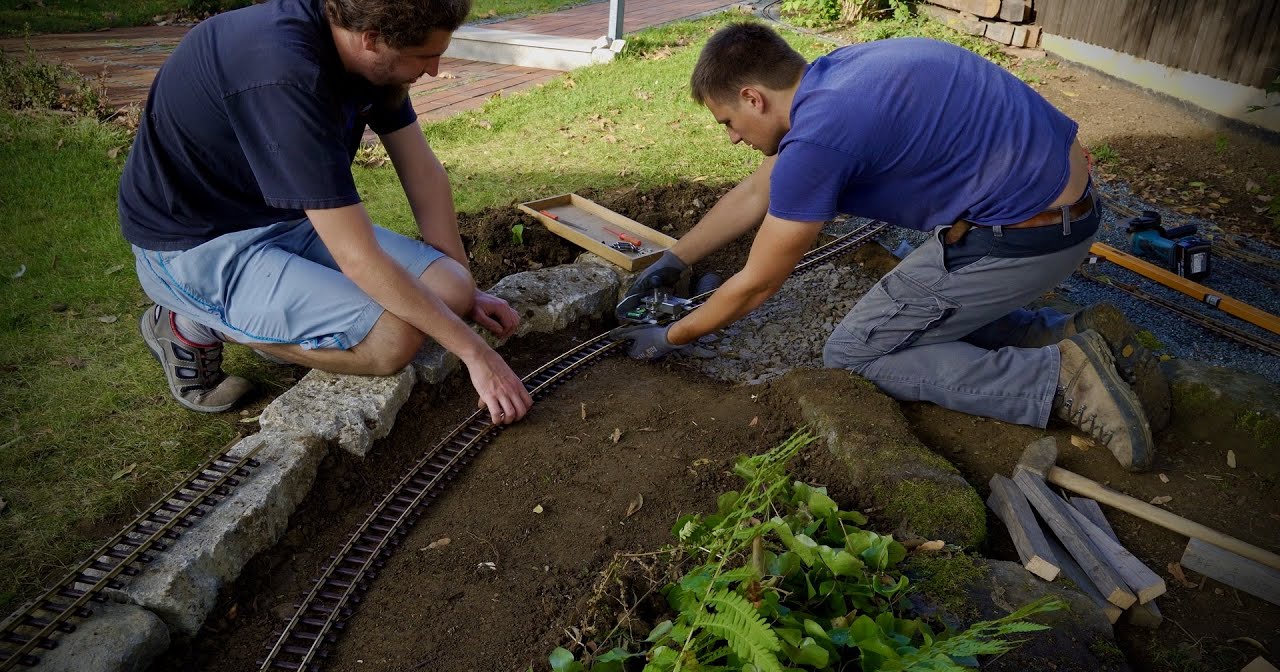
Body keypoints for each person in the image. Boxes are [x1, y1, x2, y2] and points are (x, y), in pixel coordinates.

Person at [611, 22, 1169, 471]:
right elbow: (760, 189)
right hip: (1060, 207)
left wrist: (672, 334)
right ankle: (1061, 332)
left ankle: (1061, 380)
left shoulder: (819, 140)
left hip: (1029, 235)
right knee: (913, 306)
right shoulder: (836, 76)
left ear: (753, 97)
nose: (731, 137)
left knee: (854, 353)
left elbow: (758, 282)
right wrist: (675, 258)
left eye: (727, 121)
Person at [118, 0, 532, 426]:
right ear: (371, 40)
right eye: (426, 56)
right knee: (392, 340)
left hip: (286, 214)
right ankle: (190, 321)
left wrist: (468, 293)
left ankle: (282, 321)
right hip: (198, 243)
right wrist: (475, 354)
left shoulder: (366, 48)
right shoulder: (285, 74)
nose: (433, 69)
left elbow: (422, 173)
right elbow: (357, 257)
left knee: (452, 289)